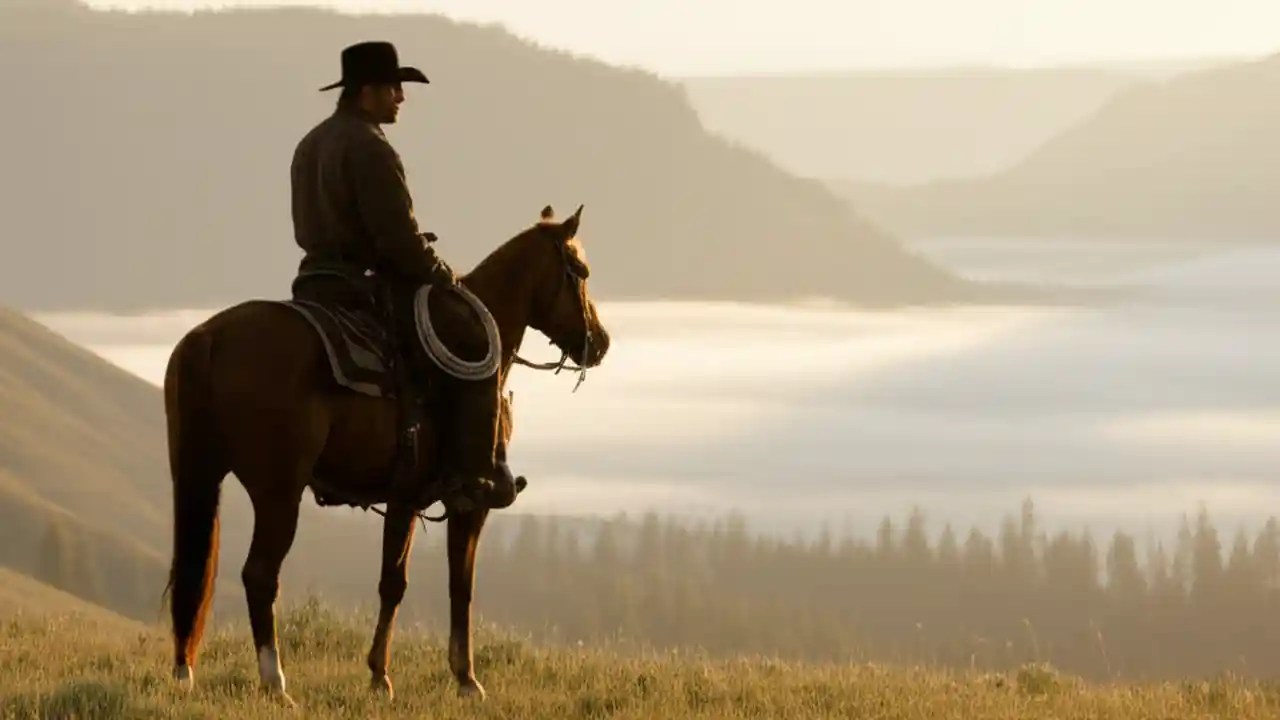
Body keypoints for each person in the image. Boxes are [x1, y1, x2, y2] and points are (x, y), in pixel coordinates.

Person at [289, 40, 517, 511]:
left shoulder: (310, 143)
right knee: (478, 344)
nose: (401, 97)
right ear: (367, 92)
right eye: (394, 87)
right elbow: (398, 239)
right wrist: (439, 273)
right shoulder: (372, 148)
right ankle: (472, 476)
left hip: (315, 280)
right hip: (366, 284)